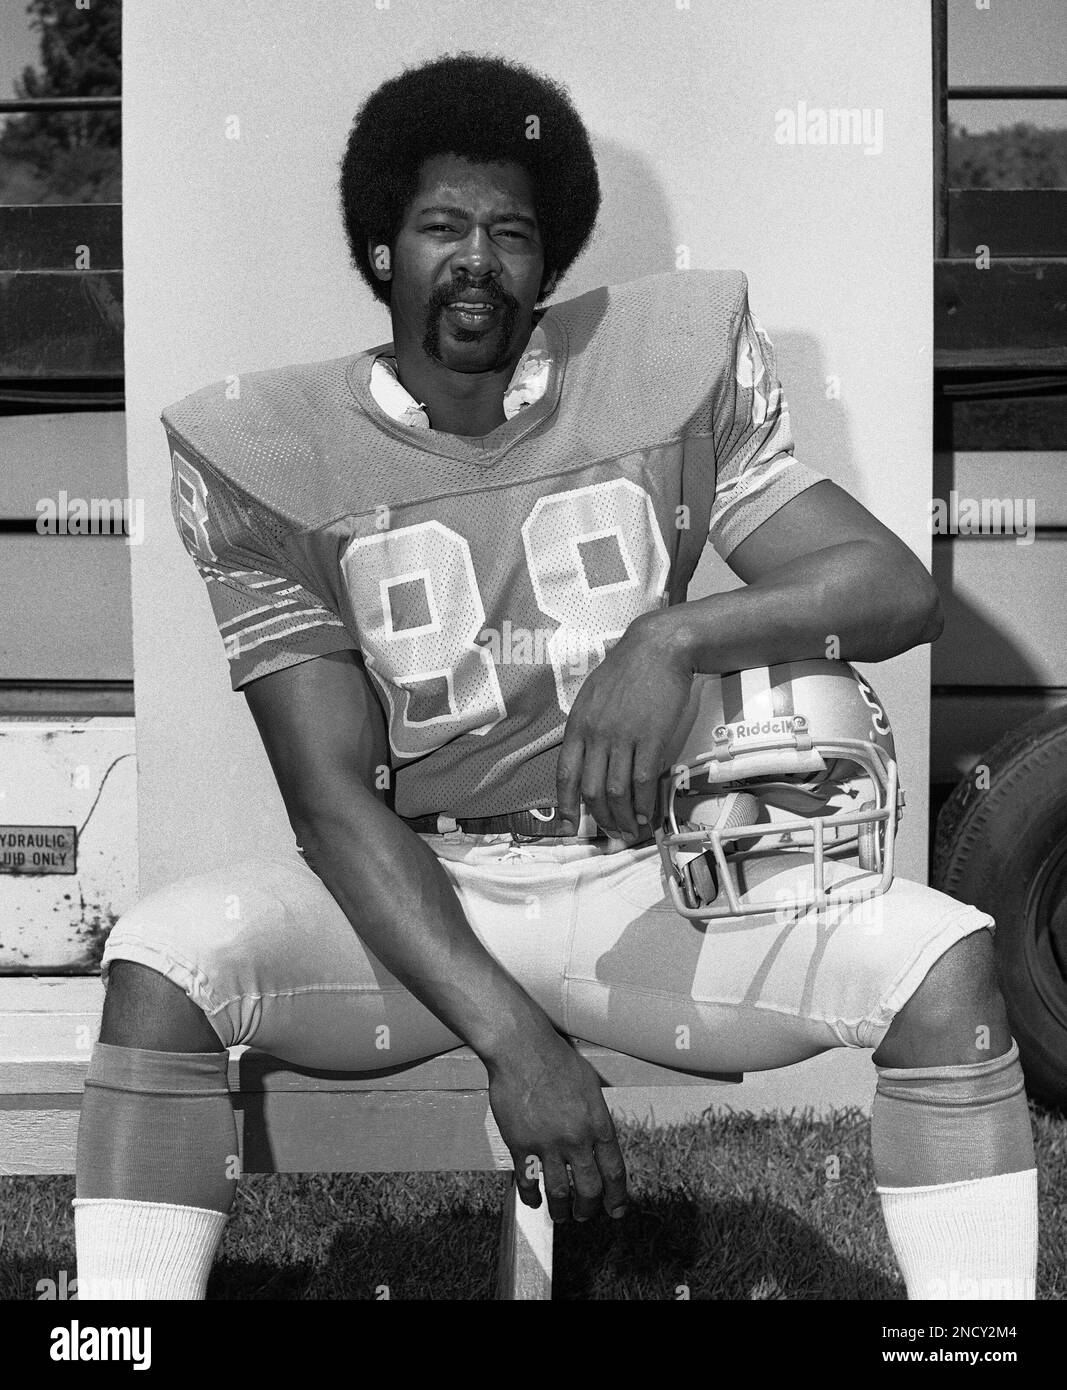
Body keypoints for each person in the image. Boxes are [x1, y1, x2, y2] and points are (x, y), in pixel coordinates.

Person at [73, 52, 1037, 1301]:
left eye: (510, 233)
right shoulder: (263, 452)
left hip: (647, 879)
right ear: (380, 249)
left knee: (940, 959)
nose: (475, 258)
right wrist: (515, 1041)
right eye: (439, 227)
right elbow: (328, 801)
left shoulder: (662, 373)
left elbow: (892, 589)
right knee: (161, 958)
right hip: (425, 898)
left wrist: (672, 637)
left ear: (548, 259)